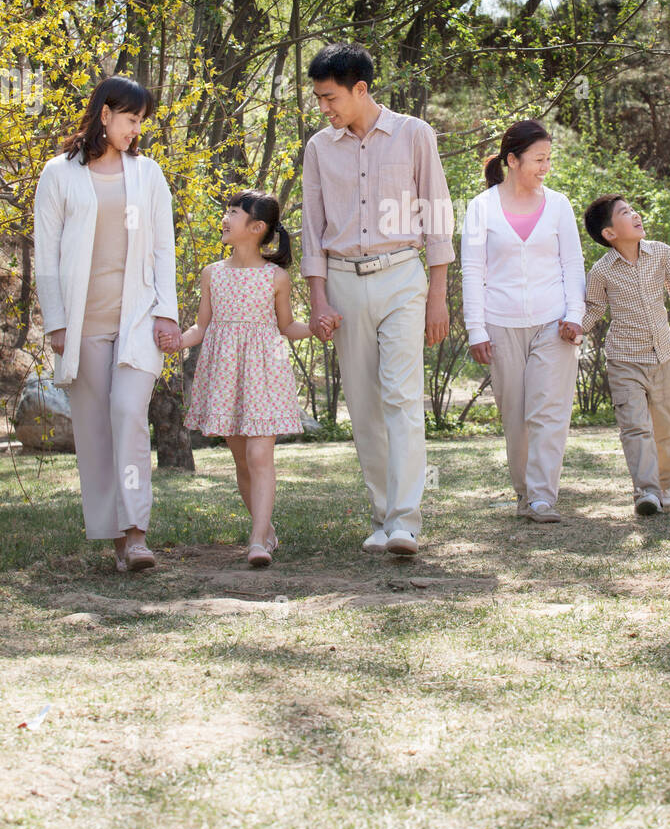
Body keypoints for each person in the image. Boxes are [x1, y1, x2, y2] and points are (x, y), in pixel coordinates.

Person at [301, 42, 454, 556]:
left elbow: (436, 215)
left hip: (402, 278)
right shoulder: (319, 148)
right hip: (342, 283)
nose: (324, 108)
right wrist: (318, 299)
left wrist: (439, 295)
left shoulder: (414, 134)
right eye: (320, 99)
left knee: (401, 397)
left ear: (360, 89)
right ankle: (382, 516)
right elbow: (312, 228)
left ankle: (406, 520)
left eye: (330, 97)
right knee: (364, 406)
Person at [33, 76, 180, 572]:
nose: (136, 131)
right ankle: (117, 540)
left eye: (141, 122)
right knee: (95, 432)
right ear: (105, 114)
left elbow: (163, 247)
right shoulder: (59, 173)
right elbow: (47, 256)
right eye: (131, 120)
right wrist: (55, 321)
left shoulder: (148, 174)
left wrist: (167, 312)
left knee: (128, 416)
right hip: (82, 323)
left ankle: (138, 534)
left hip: (137, 317)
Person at [159, 191, 318, 568]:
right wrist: (177, 341)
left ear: (257, 228)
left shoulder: (276, 277)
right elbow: (202, 325)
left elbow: (287, 326)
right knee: (242, 460)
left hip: (265, 372)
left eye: (234, 212)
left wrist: (315, 327)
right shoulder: (212, 273)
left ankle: (256, 542)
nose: (226, 218)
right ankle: (266, 530)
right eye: (227, 210)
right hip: (224, 373)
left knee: (260, 454)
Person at [461, 120, 585, 523]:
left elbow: (572, 264)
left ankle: (542, 497)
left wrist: (574, 315)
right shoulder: (482, 207)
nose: (545, 167)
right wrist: (476, 329)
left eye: (549, 158)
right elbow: (472, 271)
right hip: (501, 323)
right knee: (516, 415)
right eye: (538, 159)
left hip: (554, 322)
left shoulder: (560, 204)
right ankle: (524, 492)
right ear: (512, 160)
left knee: (547, 412)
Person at [581, 194, 670, 516]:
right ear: (609, 233)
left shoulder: (661, 253)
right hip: (624, 360)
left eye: (633, 209)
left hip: (663, 357)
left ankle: (664, 486)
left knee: (665, 427)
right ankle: (646, 492)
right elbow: (593, 307)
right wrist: (576, 328)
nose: (636, 214)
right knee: (635, 427)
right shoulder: (602, 271)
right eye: (625, 213)